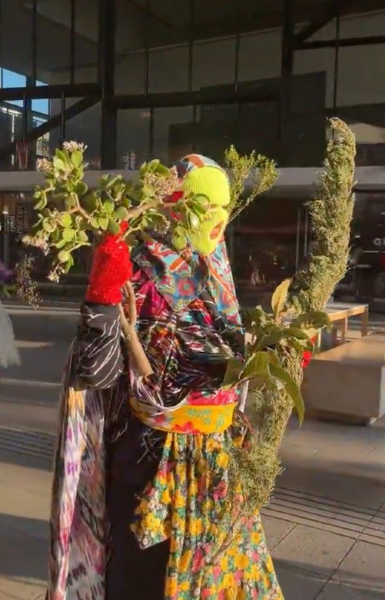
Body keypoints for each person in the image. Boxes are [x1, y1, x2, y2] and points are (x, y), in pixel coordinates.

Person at [46, 155, 283, 600]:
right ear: (170, 207)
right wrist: (101, 299)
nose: (215, 220)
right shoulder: (133, 267)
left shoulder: (218, 273)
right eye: (201, 205)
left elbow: (231, 369)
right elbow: (94, 372)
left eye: (222, 207)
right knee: (142, 581)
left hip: (214, 468)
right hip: (146, 463)